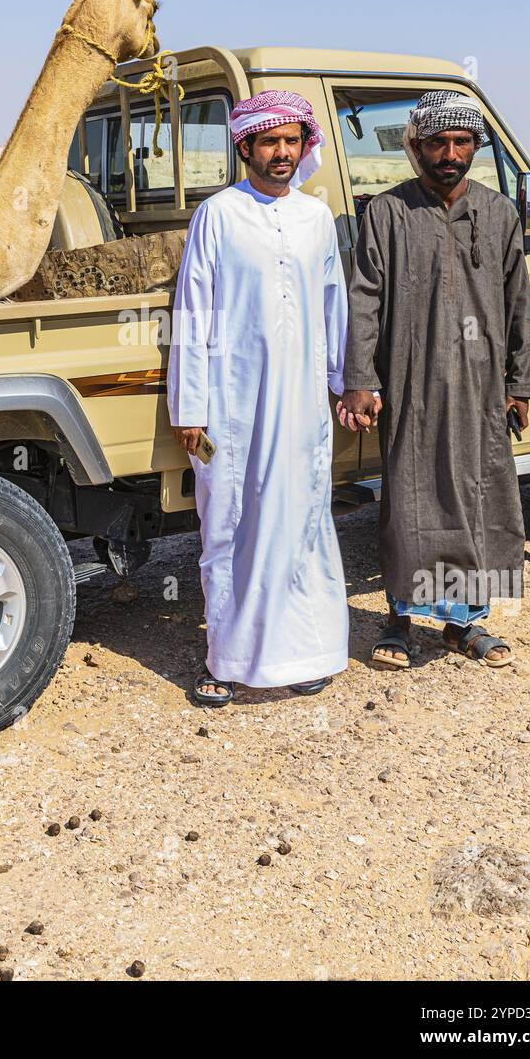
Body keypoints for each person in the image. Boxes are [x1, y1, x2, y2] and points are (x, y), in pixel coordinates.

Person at [337, 90, 530, 669]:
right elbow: (364, 302)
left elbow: (518, 302)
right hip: (410, 383)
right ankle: (400, 618)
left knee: (481, 497)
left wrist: (521, 381)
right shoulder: (387, 212)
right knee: (410, 501)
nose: (449, 153)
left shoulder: (498, 213)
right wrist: (361, 380)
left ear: (474, 146)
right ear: (416, 146)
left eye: (461, 142)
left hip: (480, 387)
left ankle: (466, 624)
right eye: (437, 142)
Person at [167, 90, 349, 706]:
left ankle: (304, 651)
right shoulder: (218, 214)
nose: (281, 153)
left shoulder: (315, 218)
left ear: (304, 148)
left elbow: (333, 306)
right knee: (231, 522)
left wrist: (344, 383)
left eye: (291, 141)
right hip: (233, 402)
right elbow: (193, 312)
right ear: (245, 147)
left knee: (300, 516)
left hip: (300, 403)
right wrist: (190, 406)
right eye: (268, 141)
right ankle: (229, 658)